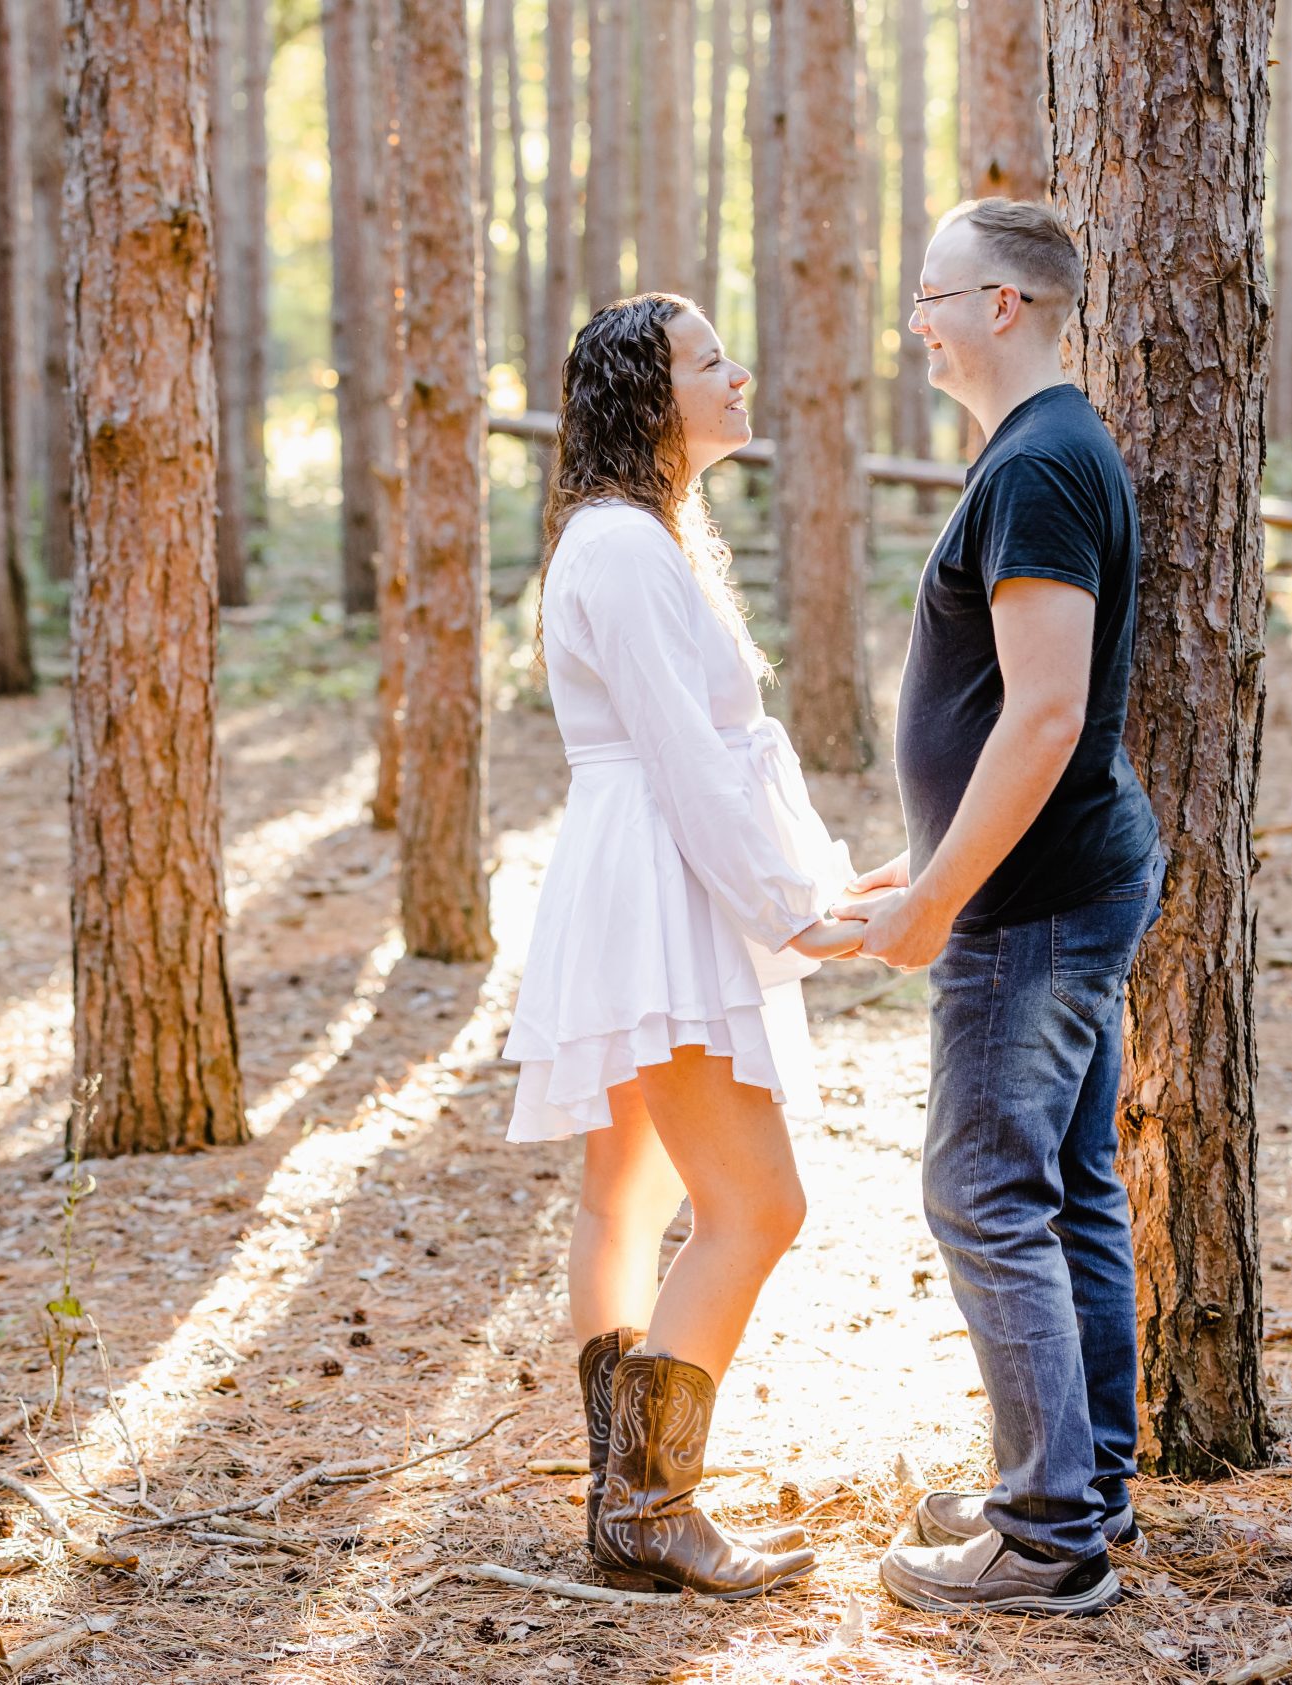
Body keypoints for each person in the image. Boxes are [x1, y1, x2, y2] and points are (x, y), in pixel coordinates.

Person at [502, 292, 869, 1598]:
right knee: (758, 1203)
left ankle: (625, 1491)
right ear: (649, 398)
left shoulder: (639, 537)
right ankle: (649, 1504)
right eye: (712, 360)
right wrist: (791, 908)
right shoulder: (625, 549)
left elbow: (726, 762)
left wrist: (818, 880)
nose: (741, 372)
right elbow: (691, 765)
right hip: (655, 882)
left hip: (644, 877)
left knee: (631, 1194)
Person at [848, 198, 1165, 1617]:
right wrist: (914, 864)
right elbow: (1013, 714)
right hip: (1060, 876)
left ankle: (1046, 1537)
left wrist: (942, 895)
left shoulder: (1039, 465)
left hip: (1032, 902)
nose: (917, 315)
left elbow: (1040, 718)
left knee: (983, 1189)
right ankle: (1083, 1479)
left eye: (935, 289)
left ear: (1006, 306)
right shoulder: (1045, 450)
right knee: (1069, 1183)